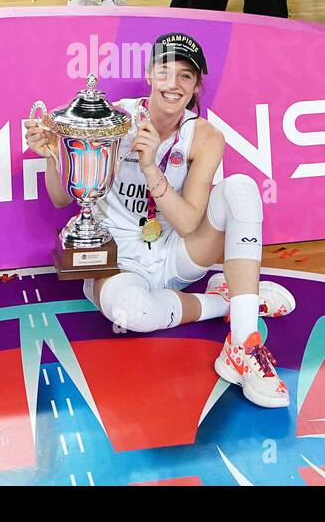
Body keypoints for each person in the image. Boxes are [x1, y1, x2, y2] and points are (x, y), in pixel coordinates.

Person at [23, 34, 295, 409]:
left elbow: (187, 223)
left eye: (186, 76)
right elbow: (60, 198)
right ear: (149, 74)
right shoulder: (111, 118)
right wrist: (53, 155)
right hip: (116, 259)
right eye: (165, 71)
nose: (173, 84)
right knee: (132, 314)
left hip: (176, 251)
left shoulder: (205, 136)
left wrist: (151, 167)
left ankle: (244, 343)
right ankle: (230, 302)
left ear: (197, 86)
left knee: (242, 188)